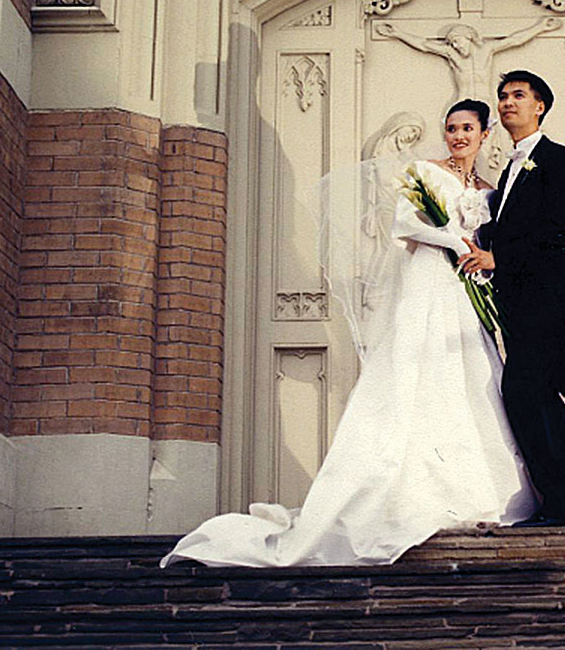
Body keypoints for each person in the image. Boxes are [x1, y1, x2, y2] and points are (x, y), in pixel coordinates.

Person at [161, 99, 537, 568]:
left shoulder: (488, 187)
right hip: (427, 283)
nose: (458, 136)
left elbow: (493, 241)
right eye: (451, 128)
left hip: (463, 290)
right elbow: (405, 225)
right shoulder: (425, 172)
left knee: (470, 378)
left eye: (467, 128)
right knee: (414, 378)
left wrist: (480, 257)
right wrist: (453, 239)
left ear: (484, 135)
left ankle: (475, 492)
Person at [459, 71, 565, 526]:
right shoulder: (508, 171)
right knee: (535, 398)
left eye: (518, 96)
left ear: (540, 106)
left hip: (552, 305)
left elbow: (560, 233)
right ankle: (561, 507)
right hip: (520, 309)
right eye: (503, 97)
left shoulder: (558, 160)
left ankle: (564, 506)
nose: (507, 103)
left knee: (525, 393)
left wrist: (497, 257)